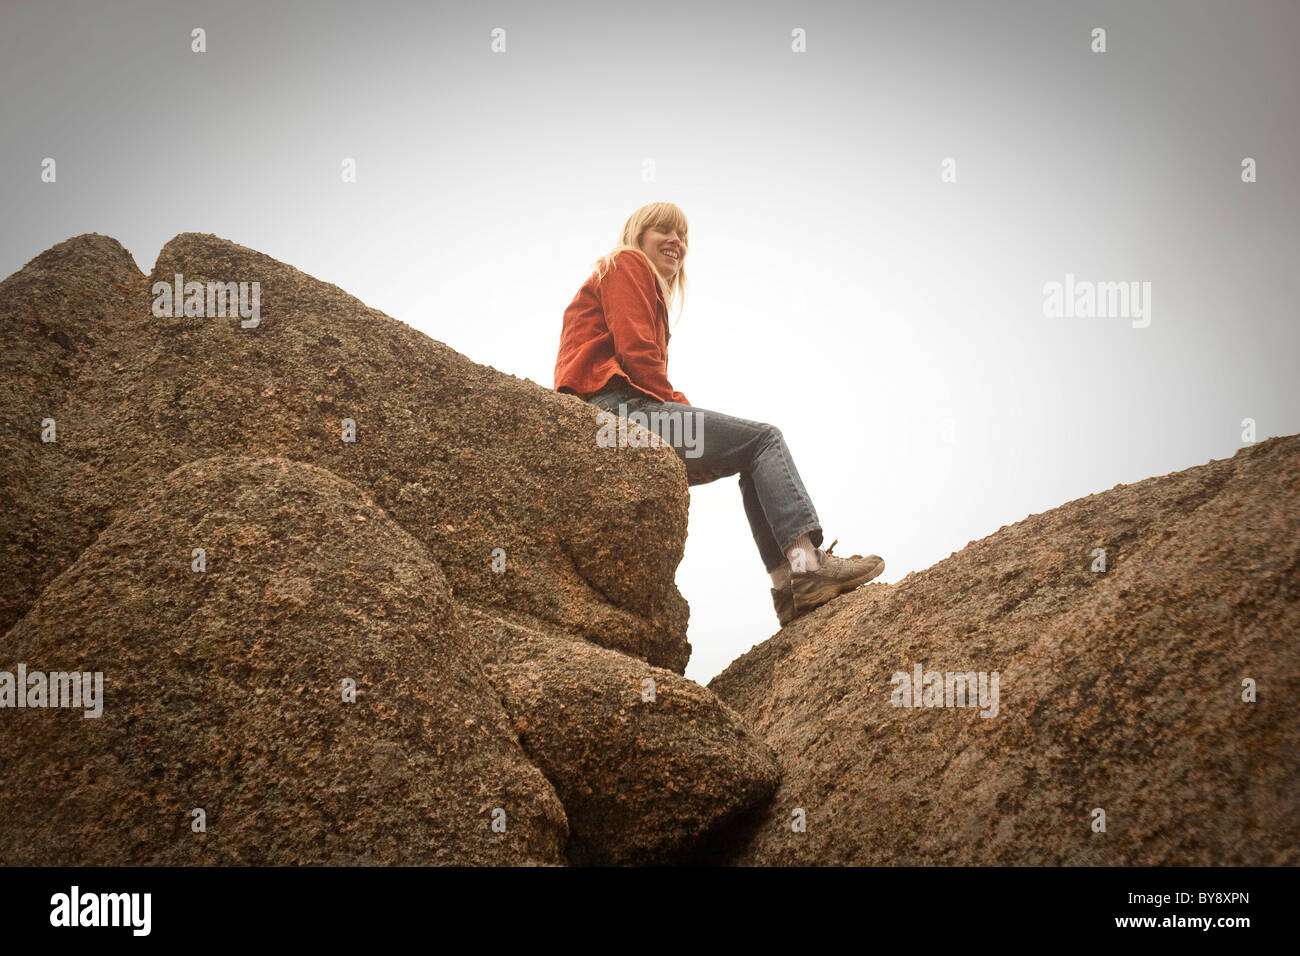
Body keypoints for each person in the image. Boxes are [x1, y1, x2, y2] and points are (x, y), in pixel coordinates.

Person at [554, 201, 884, 626]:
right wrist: (687, 419)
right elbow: (638, 359)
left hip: (611, 420)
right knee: (763, 440)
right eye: (664, 230)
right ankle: (807, 567)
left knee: (748, 456)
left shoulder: (631, 278)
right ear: (638, 236)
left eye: (683, 235)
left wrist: (697, 438)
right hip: (616, 413)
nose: (677, 241)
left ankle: (791, 590)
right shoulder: (626, 263)